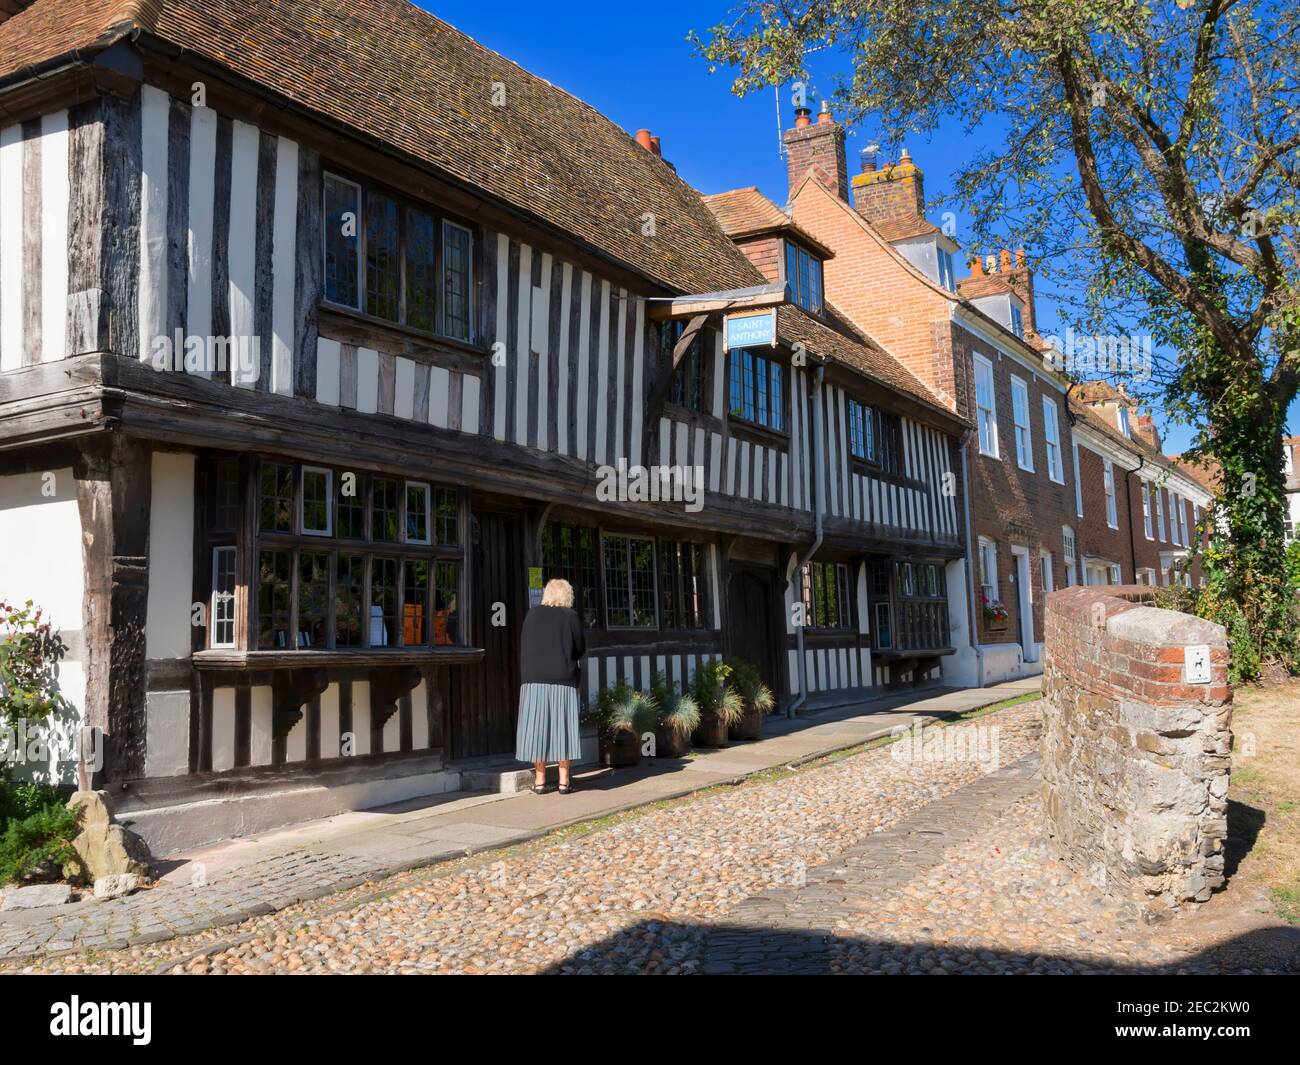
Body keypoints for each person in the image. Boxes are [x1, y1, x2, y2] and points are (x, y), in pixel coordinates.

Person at [515, 578, 585, 794]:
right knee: (563, 729)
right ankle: (564, 782)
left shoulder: (532, 615)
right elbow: (580, 648)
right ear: (567, 595)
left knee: (537, 730)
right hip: (562, 679)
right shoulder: (570, 616)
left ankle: (540, 781)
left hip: (533, 680)